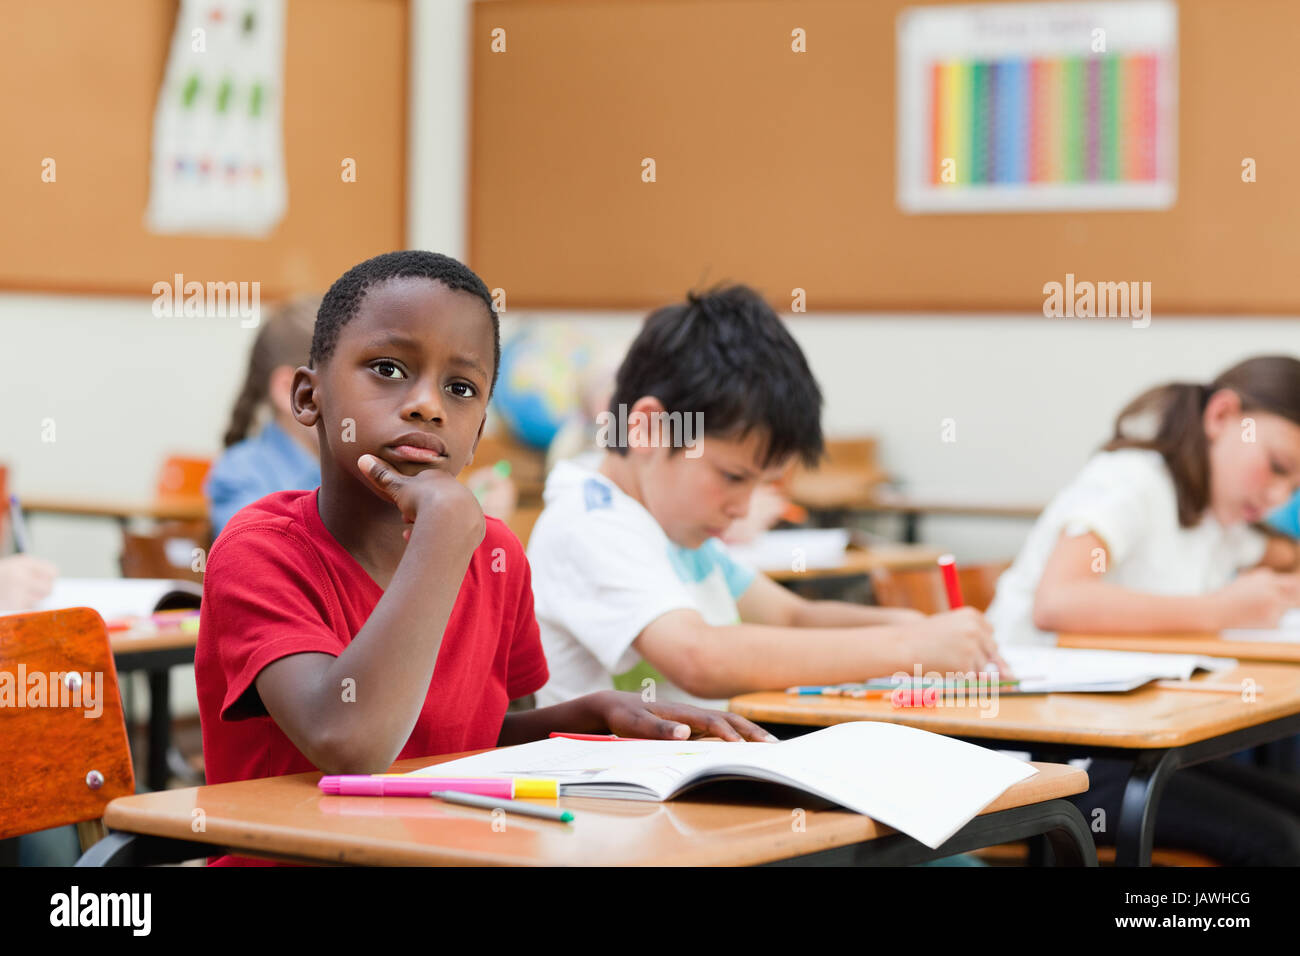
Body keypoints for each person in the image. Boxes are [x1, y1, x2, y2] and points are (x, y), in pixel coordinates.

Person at [194, 252, 773, 865]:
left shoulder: (495, 555)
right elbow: (350, 742)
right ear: (309, 398)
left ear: (478, 428)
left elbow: (471, 742)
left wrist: (593, 715)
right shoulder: (260, 550)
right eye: (388, 369)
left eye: (461, 388)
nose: (427, 405)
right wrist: (441, 538)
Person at [527, 284, 1006, 711]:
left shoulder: (670, 525)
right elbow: (701, 657)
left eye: (759, 484)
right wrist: (910, 648)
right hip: (611, 799)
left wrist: (907, 624)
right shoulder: (591, 521)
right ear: (650, 428)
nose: (742, 507)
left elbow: (792, 616)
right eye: (734, 476)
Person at [986, 355, 1300, 864]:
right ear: (1222, 417)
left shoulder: (1214, 513)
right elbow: (1058, 600)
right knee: (1278, 841)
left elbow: (1282, 554)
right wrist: (1220, 608)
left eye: (1294, 485)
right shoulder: (1132, 481)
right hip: (1047, 756)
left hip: (1127, 743)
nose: (1278, 495)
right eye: (1278, 466)